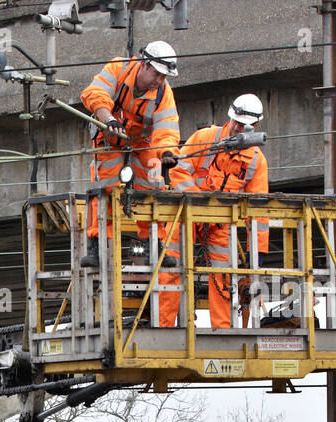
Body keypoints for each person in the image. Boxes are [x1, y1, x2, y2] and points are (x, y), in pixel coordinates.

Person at [160, 94, 271, 328]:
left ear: (255, 127)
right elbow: (178, 171)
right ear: (230, 118)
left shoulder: (255, 161)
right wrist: (198, 201)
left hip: (220, 223)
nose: (237, 128)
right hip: (186, 213)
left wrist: (256, 253)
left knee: (224, 276)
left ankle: (223, 331)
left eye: (243, 125)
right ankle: (163, 327)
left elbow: (259, 211)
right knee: (171, 268)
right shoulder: (205, 138)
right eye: (236, 122)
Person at [79, 40, 182, 270]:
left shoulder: (163, 93)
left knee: (155, 184)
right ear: (143, 65)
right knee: (104, 188)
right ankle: (97, 245)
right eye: (157, 74)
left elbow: (167, 126)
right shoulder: (119, 68)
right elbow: (94, 94)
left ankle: (152, 244)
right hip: (109, 139)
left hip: (142, 143)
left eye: (164, 77)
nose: (159, 81)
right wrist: (109, 120)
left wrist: (166, 151)